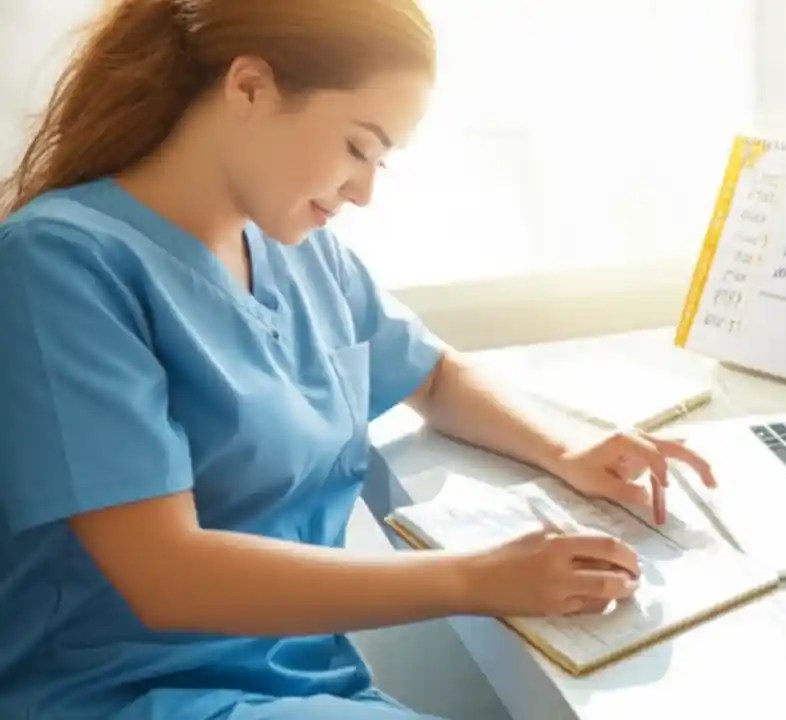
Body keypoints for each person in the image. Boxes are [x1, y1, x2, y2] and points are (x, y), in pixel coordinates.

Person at [0, 1, 717, 718]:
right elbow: (166, 576)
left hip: (306, 680)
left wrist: (570, 446)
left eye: (382, 161)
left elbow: (430, 373)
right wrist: (481, 579)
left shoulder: (300, 254)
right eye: (357, 147)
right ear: (249, 87)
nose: (365, 191)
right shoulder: (60, 267)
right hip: (128, 698)